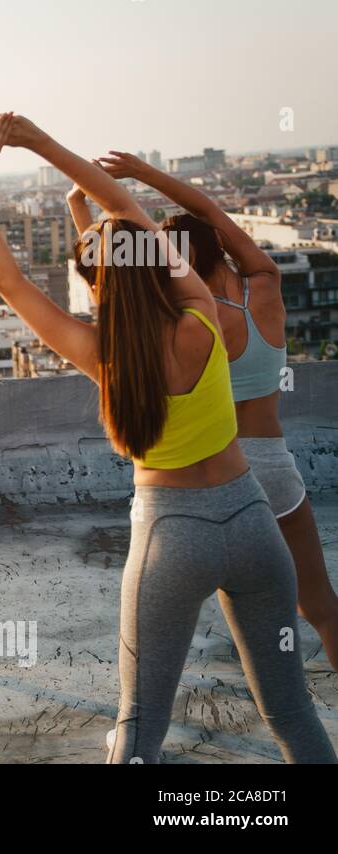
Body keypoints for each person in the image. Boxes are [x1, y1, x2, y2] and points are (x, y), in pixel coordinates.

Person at [0, 114, 335, 764]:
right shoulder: (202, 317)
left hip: (171, 539)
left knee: (137, 732)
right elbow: (126, 208)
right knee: (292, 710)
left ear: (96, 284)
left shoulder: (101, 354)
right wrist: (38, 141)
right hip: (252, 524)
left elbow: (7, 282)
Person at [85, 151, 337, 672]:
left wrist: (85, 207)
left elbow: (108, 281)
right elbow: (213, 213)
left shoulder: (187, 321)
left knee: (153, 635)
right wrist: (144, 172)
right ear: (219, 246)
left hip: (210, 475)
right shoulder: (266, 287)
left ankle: (136, 729)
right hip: (274, 467)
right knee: (321, 608)